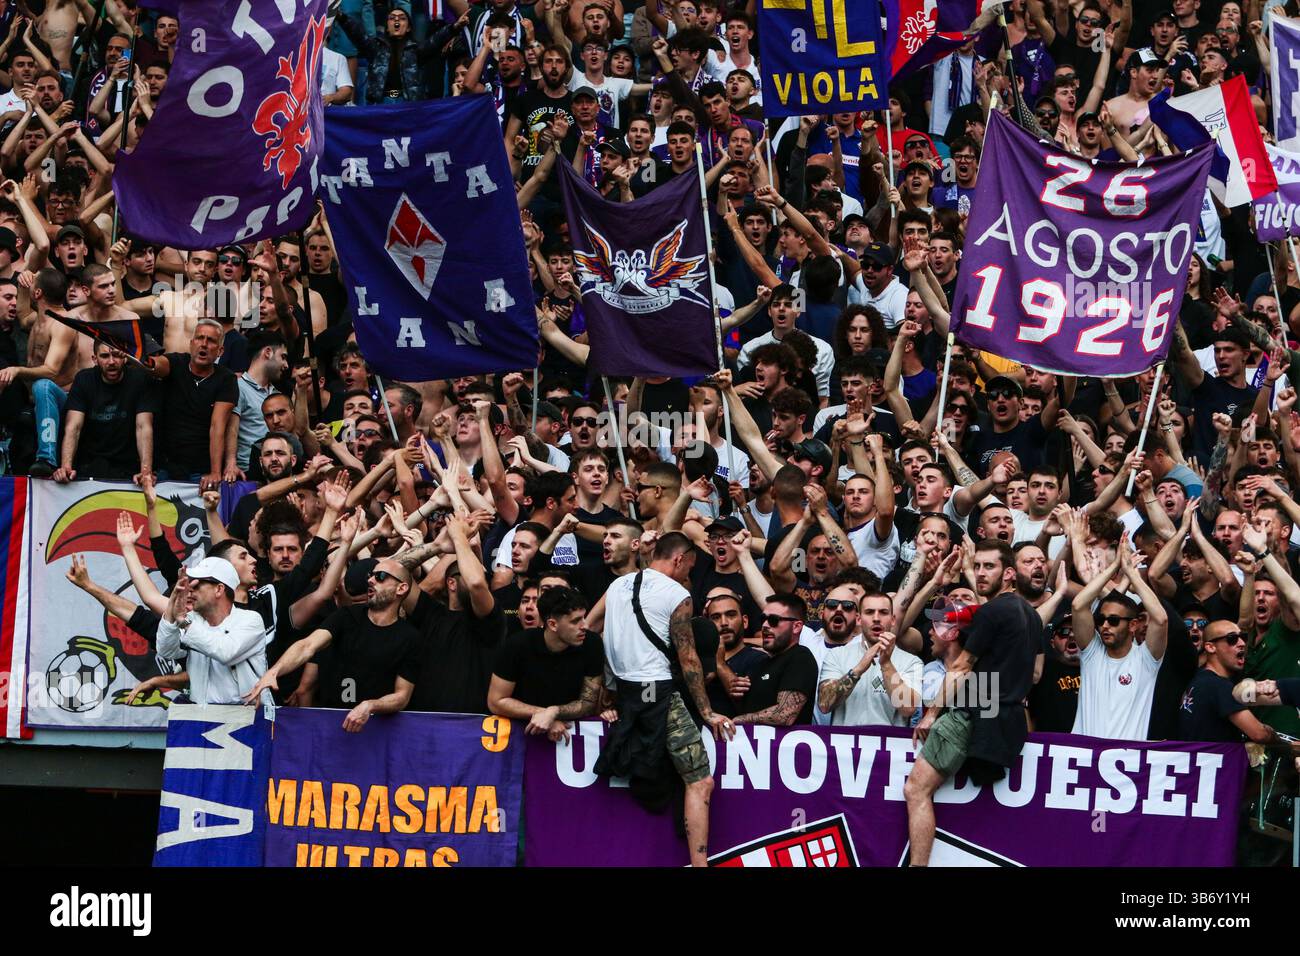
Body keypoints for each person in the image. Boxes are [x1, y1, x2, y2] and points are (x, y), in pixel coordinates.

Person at [594, 531, 731, 868]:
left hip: (625, 696)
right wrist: (707, 711)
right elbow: (688, 659)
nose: (689, 578)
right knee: (701, 782)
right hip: (658, 694)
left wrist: (607, 696)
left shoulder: (617, 587)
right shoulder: (676, 594)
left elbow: (593, 629)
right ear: (679, 559)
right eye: (690, 569)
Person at [905, 540, 1040, 866]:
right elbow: (1035, 674)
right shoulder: (1033, 617)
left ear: (1008, 573)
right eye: (976, 566)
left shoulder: (992, 612)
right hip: (1005, 721)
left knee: (916, 790)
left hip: (969, 713)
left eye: (988, 567)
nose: (980, 573)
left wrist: (932, 713)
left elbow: (962, 667)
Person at [245, 558, 420, 732]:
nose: (371, 580)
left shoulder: (409, 637)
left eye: (381, 576)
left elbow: (402, 696)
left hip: (379, 731)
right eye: (371, 575)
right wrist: (275, 671)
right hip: (331, 725)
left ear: (401, 588)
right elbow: (307, 646)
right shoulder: (346, 617)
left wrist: (370, 706)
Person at [1069, 542, 1169, 740]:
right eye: (1101, 620)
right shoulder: (1092, 654)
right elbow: (1078, 605)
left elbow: (1161, 618)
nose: (1105, 625)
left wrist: (1132, 575)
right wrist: (1114, 566)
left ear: (1133, 625)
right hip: (1083, 759)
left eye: (1113, 621)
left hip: (1126, 761)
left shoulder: (1145, 659)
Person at [487, 586, 605, 737]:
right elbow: (496, 701)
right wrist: (544, 714)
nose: (585, 626)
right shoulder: (518, 645)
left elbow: (588, 703)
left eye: (583, 617)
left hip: (570, 733)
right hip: (520, 732)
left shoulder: (592, 643)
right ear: (553, 624)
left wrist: (553, 712)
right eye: (576, 621)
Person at [156, 558, 268, 706]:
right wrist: (172, 606)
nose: (190, 589)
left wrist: (183, 620)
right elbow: (166, 651)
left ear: (219, 589)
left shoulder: (250, 620)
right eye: (190, 583)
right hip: (204, 718)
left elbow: (225, 652)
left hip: (247, 719)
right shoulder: (192, 620)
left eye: (197, 584)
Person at [733, 592, 819, 725]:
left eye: (773, 620)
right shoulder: (759, 662)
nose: (765, 625)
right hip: (751, 744)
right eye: (763, 619)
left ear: (796, 626)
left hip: (786, 745)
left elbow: (785, 715)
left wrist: (737, 721)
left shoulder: (800, 657)